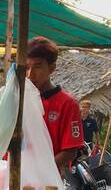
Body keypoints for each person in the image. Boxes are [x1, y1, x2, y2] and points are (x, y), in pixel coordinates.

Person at [26, 37, 84, 172]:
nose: (30, 74)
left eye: (37, 66)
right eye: (27, 67)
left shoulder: (68, 104)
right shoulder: (19, 99)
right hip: (15, 180)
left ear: (52, 68)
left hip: (48, 183)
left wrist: (39, 171)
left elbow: (70, 151)